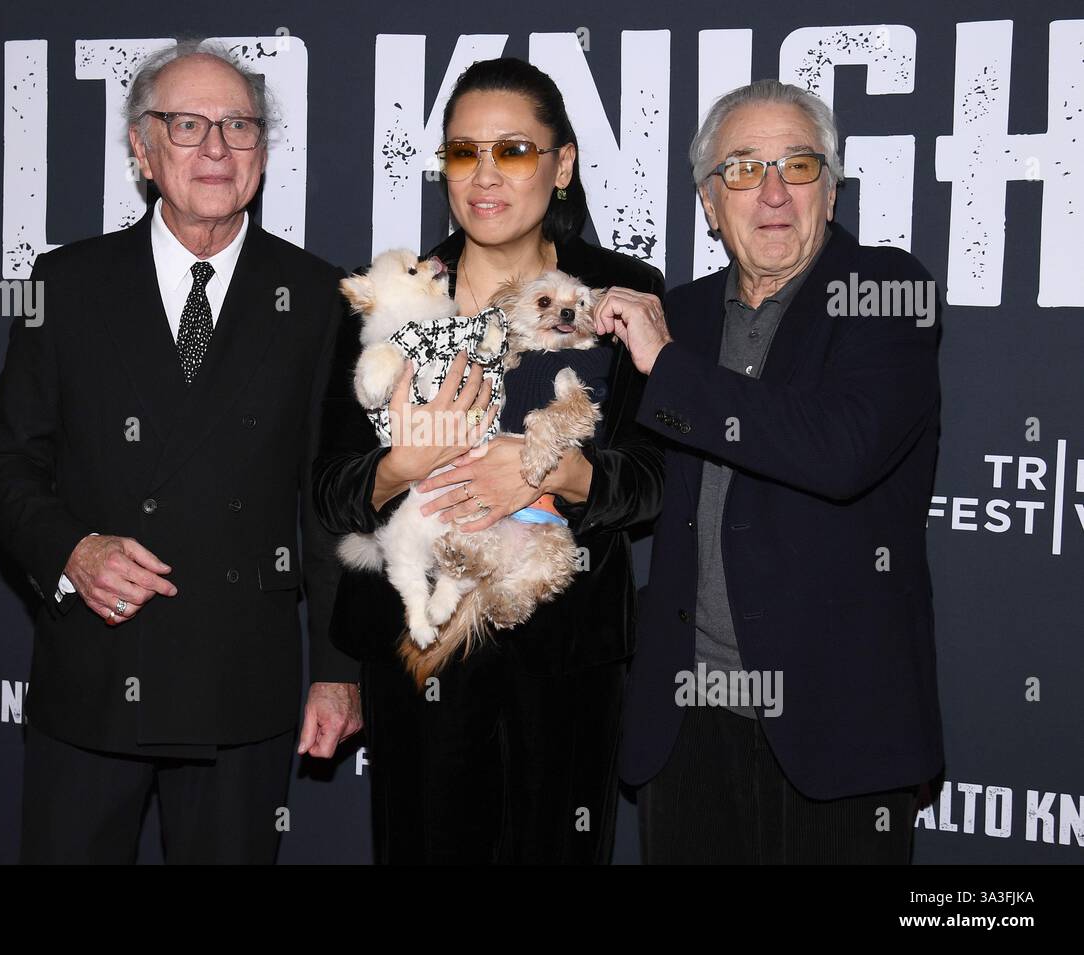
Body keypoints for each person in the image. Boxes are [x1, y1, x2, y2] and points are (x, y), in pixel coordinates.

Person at [0, 39, 361, 864]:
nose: (216, 148)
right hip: (94, 676)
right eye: (188, 125)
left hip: (239, 686)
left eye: (239, 126)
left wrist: (336, 666)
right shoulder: (67, 285)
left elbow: (330, 500)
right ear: (142, 150)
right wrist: (73, 549)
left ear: (263, 150)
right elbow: (4, 466)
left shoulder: (318, 298)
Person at [313, 57, 665, 864]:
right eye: (463, 152)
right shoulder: (398, 294)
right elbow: (332, 488)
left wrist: (549, 472)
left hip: (568, 655)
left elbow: (651, 479)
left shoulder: (619, 295)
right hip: (420, 651)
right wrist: (402, 464)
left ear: (561, 164)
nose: (483, 175)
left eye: (512, 150)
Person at [600, 79, 943, 864]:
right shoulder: (679, 315)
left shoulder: (886, 292)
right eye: (745, 169)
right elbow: (630, 479)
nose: (775, 191)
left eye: (798, 164)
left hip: (838, 726)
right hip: (686, 722)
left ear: (831, 188)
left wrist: (669, 369)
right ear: (709, 203)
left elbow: (839, 450)